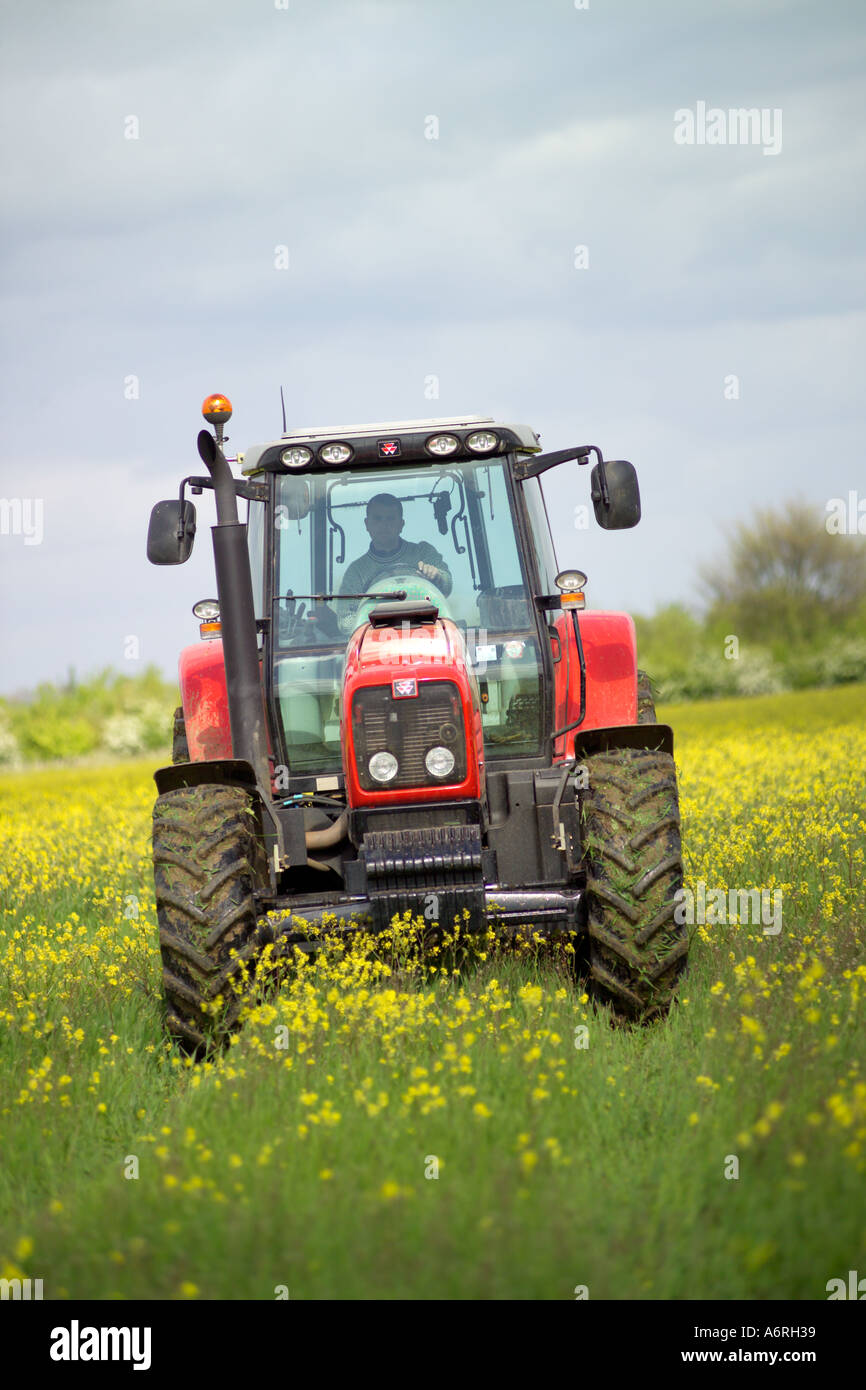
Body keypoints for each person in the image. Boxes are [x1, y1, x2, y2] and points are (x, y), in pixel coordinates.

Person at [338, 494, 453, 614]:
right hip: (375, 632)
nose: (384, 525)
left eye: (390, 518)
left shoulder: (423, 552)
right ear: (367, 524)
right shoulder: (357, 571)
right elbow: (346, 621)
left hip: (428, 629)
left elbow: (447, 586)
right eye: (378, 519)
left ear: (401, 524)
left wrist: (437, 576)